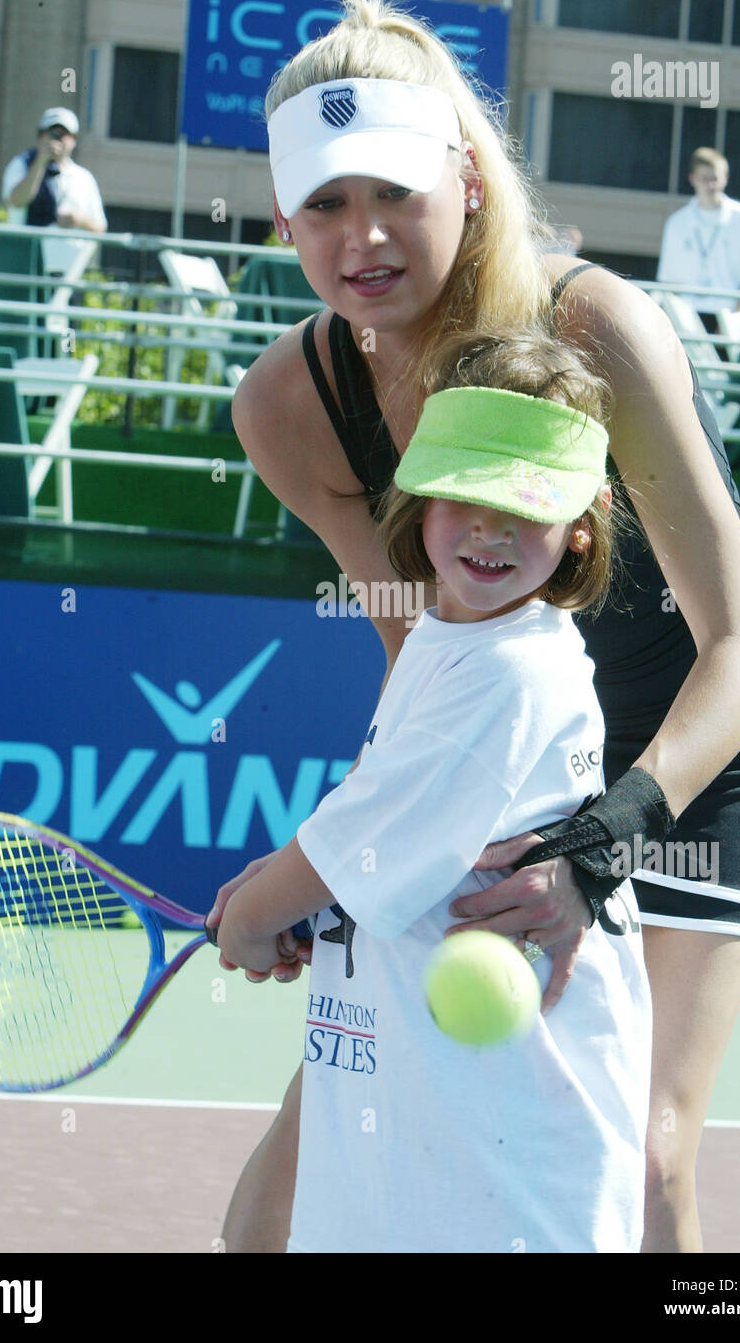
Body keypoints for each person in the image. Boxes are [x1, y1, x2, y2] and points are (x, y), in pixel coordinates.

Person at [207, 0, 740, 1254]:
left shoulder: (592, 325)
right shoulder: (289, 408)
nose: (361, 235)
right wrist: (331, 882)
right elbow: (422, 660)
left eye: (394, 191)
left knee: (641, 1162)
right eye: (324, 203)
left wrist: (600, 846)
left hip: (692, 763)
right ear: (281, 220)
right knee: (274, 1207)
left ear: (468, 181)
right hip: (505, 751)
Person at [216, 333, 653, 1253]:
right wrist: (290, 889)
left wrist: (258, 913)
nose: (488, 530)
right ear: (418, 499)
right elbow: (375, 821)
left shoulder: (514, 675)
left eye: (523, 507)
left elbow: (354, 851)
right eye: (464, 495)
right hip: (417, 1117)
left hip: (504, 1165)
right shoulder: (442, 641)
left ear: (584, 520)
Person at [657, 146, 740, 331]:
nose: (710, 185)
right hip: (687, 317)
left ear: (725, 178)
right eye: (704, 179)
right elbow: (669, 282)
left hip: (728, 316)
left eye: (714, 179)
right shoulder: (677, 222)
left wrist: (736, 320)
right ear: (693, 179)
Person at [1, 107, 107, 233]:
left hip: (68, 252)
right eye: (52, 133)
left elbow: (101, 227)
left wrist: (79, 220)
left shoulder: (84, 178)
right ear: (40, 136)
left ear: (74, 139)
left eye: (63, 134)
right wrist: (41, 160)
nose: (57, 139)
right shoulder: (21, 164)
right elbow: (16, 200)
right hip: (26, 250)